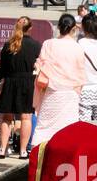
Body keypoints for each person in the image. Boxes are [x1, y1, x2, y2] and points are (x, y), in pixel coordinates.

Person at [32, 12, 87, 145]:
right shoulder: (77, 47)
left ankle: (39, 157)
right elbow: (81, 72)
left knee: (45, 126)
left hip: (52, 90)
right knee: (68, 128)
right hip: (71, 92)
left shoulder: (48, 44)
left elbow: (41, 65)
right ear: (74, 28)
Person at [0, 17, 40, 159]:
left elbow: (2, 68)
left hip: (10, 81)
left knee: (6, 117)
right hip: (28, 82)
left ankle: (2, 149)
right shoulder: (36, 45)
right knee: (26, 117)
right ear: (30, 28)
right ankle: (23, 151)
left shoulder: (8, 44)